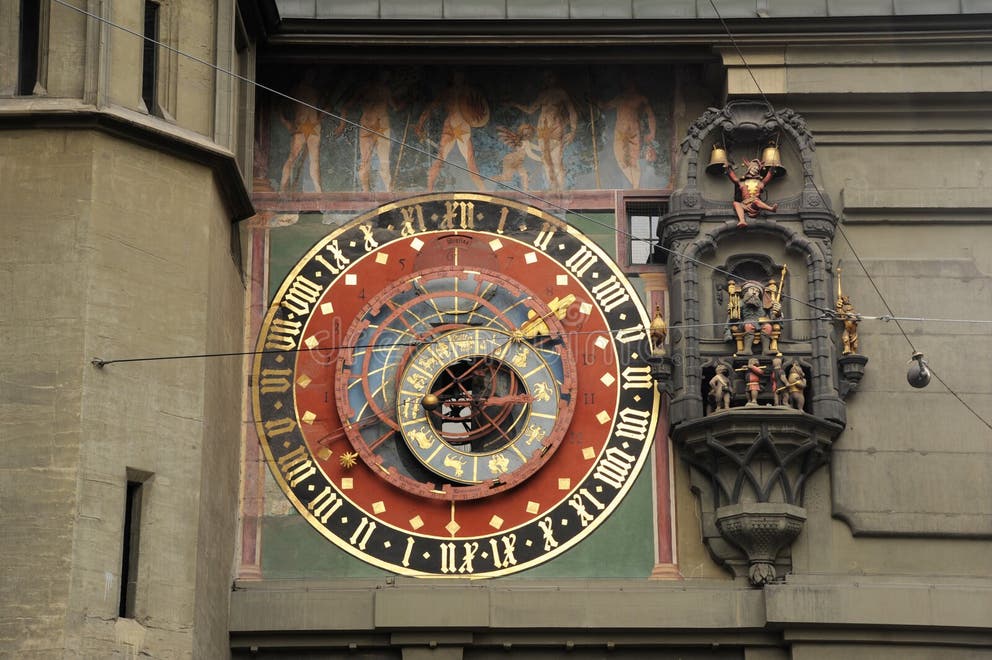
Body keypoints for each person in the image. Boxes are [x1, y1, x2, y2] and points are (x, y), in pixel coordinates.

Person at [416, 71, 489, 192]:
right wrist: (420, 123)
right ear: (453, 78)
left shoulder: (467, 91)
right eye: (456, 76)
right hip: (450, 126)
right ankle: (429, 190)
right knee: (440, 158)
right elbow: (431, 106)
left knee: (471, 162)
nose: (458, 78)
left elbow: (479, 107)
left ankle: (484, 192)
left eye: (460, 76)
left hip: (463, 128)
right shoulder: (448, 92)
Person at [335, 71, 400, 192]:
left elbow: (345, 107)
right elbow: (396, 108)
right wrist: (342, 125)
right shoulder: (383, 89)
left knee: (373, 162)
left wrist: (342, 125)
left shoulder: (368, 90)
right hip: (377, 127)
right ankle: (382, 191)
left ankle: (381, 192)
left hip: (373, 127)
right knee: (378, 162)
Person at [512, 72, 578, 191]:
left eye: (550, 77)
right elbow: (530, 109)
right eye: (546, 78)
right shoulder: (543, 94)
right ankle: (553, 189)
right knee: (546, 162)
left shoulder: (561, 93)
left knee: (557, 161)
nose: (548, 80)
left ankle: (560, 190)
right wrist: (515, 104)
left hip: (555, 130)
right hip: (542, 131)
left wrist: (573, 130)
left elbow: (572, 111)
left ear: (555, 79)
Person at [600, 77, 656, 188]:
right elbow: (605, 106)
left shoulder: (641, 99)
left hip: (634, 132)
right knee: (621, 159)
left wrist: (652, 133)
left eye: (630, 82)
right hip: (620, 133)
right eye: (625, 82)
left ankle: (636, 186)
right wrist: (596, 102)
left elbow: (651, 115)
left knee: (633, 161)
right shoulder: (620, 98)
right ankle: (633, 184)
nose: (628, 85)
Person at [279, 70, 323, 193]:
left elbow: (327, 106)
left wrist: (318, 119)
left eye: (313, 75)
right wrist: (286, 122)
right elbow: (280, 105)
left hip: (313, 128)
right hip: (300, 128)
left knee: (314, 159)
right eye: (309, 74)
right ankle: (282, 188)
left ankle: (318, 190)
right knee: (292, 158)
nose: (311, 77)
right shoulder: (295, 90)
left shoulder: (315, 91)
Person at [726, 158, 778, 228]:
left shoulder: (760, 183)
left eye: (757, 169)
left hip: (754, 204)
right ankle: (742, 221)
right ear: (749, 169)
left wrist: (772, 169)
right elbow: (734, 179)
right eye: (754, 168)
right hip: (744, 204)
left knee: (756, 201)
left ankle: (771, 209)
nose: (756, 169)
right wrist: (728, 169)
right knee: (736, 203)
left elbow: (767, 178)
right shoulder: (742, 182)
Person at [735, 281, 782, 356]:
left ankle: (766, 350)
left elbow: (772, 317)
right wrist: (732, 311)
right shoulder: (741, 303)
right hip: (747, 321)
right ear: (746, 291)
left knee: (768, 327)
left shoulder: (764, 303)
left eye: (757, 291)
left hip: (762, 322)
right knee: (748, 326)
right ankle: (747, 349)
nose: (754, 293)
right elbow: (735, 316)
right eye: (752, 290)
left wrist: (778, 312)